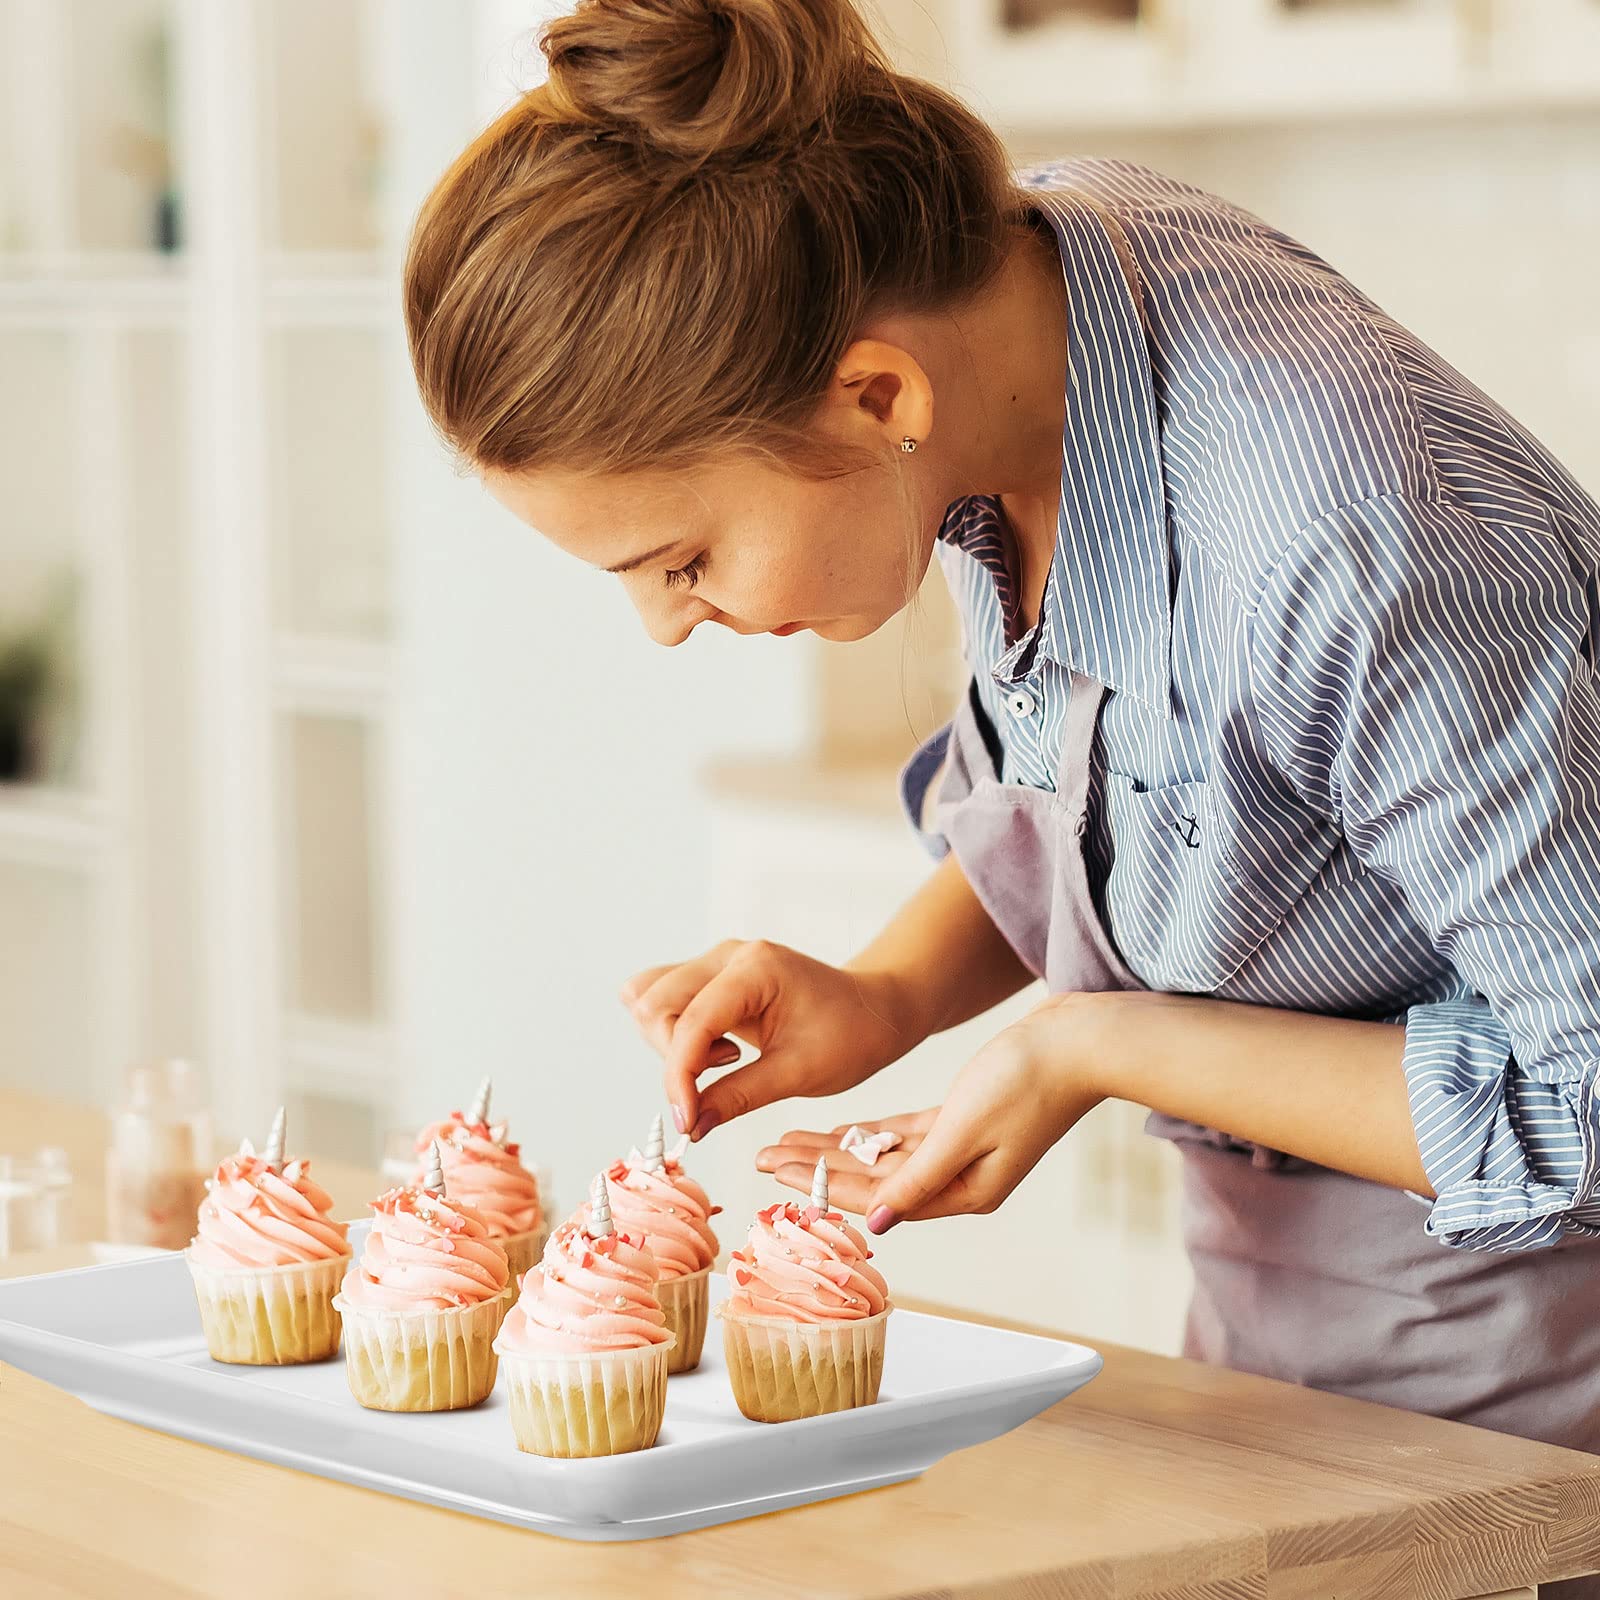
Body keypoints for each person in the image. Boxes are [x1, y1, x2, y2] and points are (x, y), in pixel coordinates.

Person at [402, 0, 1600, 1559]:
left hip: (1533, 1431)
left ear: (874, 398)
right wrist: (885, 996)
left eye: (683, 559)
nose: (670, 628)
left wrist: (1096, 1045)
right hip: (1289, 1378)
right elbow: (1149, 786)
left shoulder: (1344, 545)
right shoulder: (1020, 322)